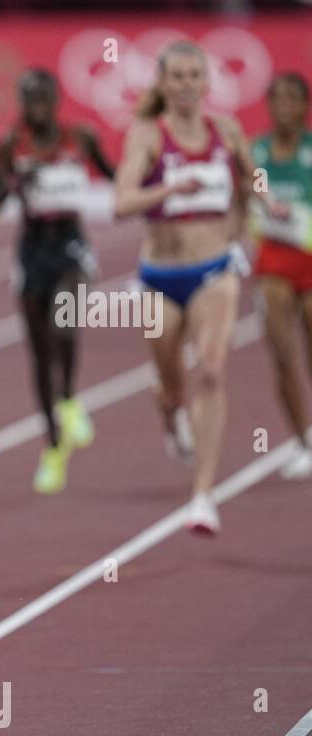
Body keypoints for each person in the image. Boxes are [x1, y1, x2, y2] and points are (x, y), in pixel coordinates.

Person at [114, 40, 287, 535]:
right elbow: (122, 202)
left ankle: (203, 496)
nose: (188, 85)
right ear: (163, 85)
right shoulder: (148, 135)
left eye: (195, 76)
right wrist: (170, 188)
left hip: (215, 268)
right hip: (159, 278)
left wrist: (268, 201)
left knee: (210, 372)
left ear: (207, 85)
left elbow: (251, 174)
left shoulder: (225, 130)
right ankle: (170, 414)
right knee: (172, 385)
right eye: (178, 77)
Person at [0, 68, 116, 494]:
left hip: (71, 244)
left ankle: (72, 401)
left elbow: (116, 177)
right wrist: (13, 182)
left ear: (56, 99)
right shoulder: (11, 143)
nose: (36, 104)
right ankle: (54, 446)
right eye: (29, 97)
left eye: (43, 96)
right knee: (39, 355)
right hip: (32, 250)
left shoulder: (81, 137)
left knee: (65, 321)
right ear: (22, 102)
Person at [252, 71, 312, 479]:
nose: (285, 107)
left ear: (306, 107)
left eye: (294, 99)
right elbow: (246, 196)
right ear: (269, 106)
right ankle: (302, 441)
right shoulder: (257, 153)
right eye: (278, 99)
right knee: (282, 352)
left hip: (311, 262)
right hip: (273, 261)